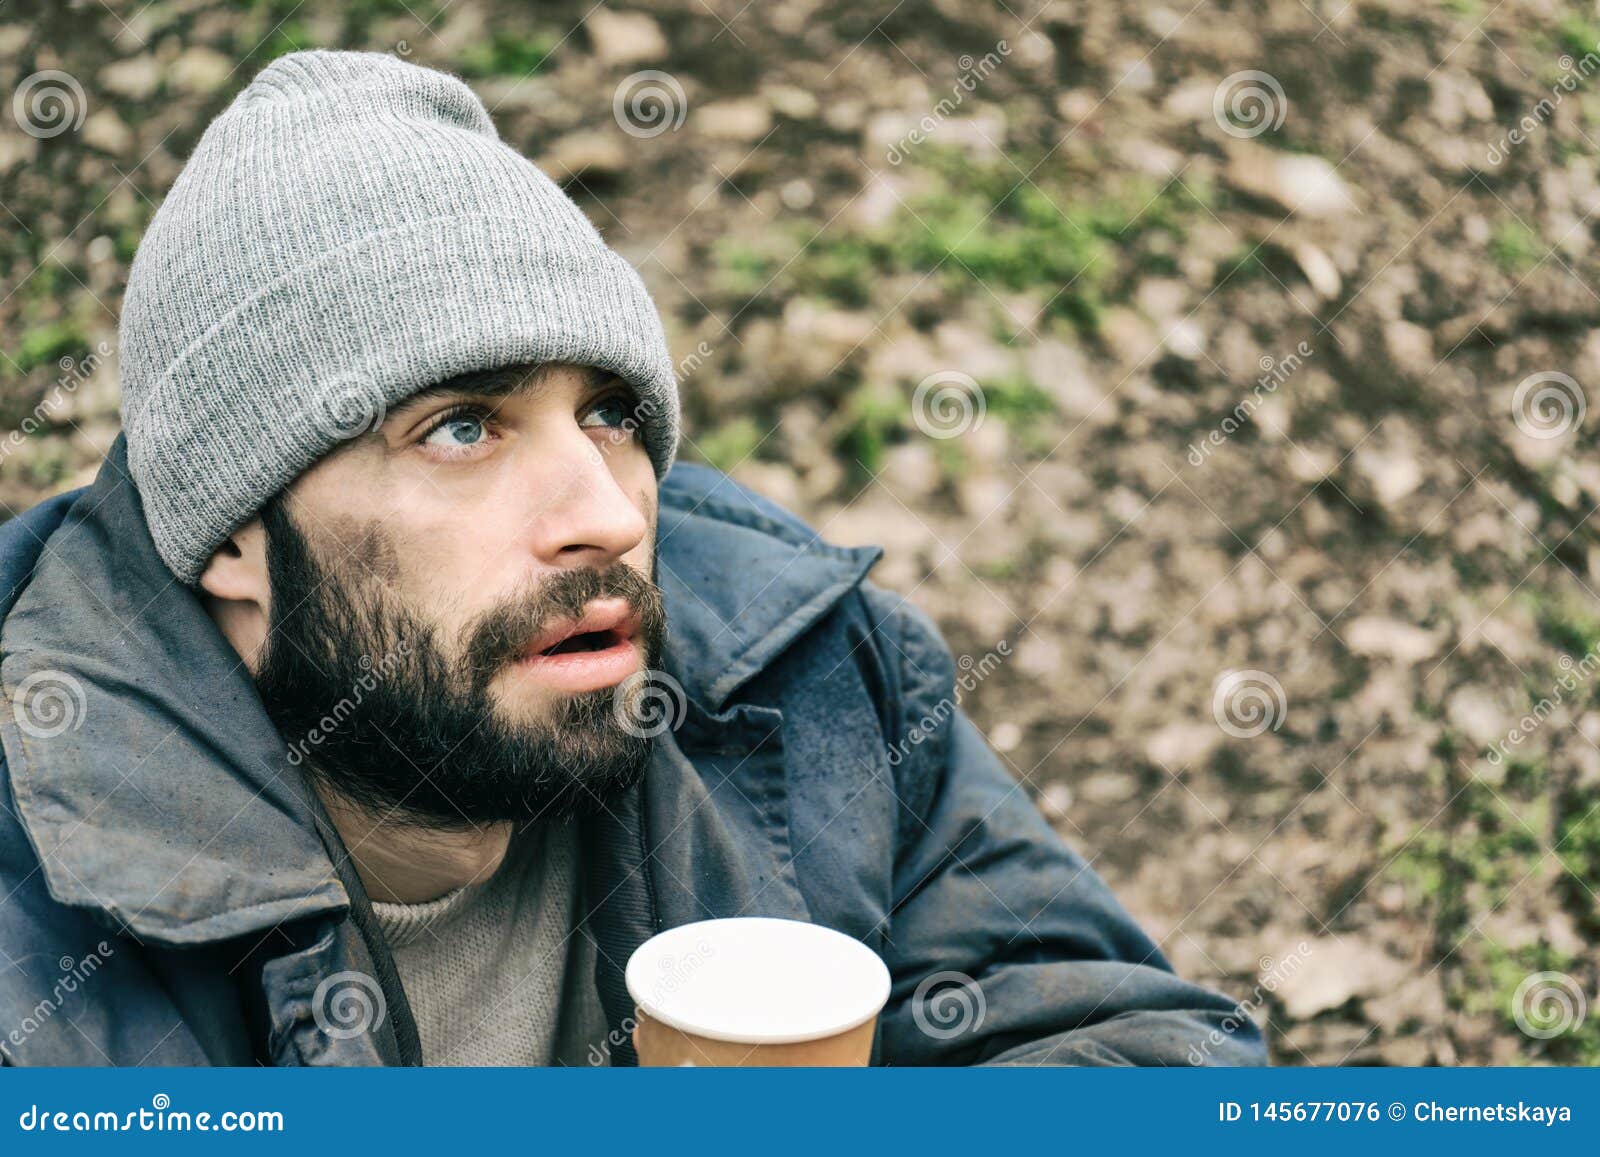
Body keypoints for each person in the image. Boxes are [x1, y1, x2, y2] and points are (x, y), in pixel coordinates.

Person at [0, 50, 1264, 1067]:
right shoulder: (38, 906)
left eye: (608, 412)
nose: (603, 511)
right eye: (460, 428)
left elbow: (1149, 1049)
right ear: (232, 535)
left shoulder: (804, 667)